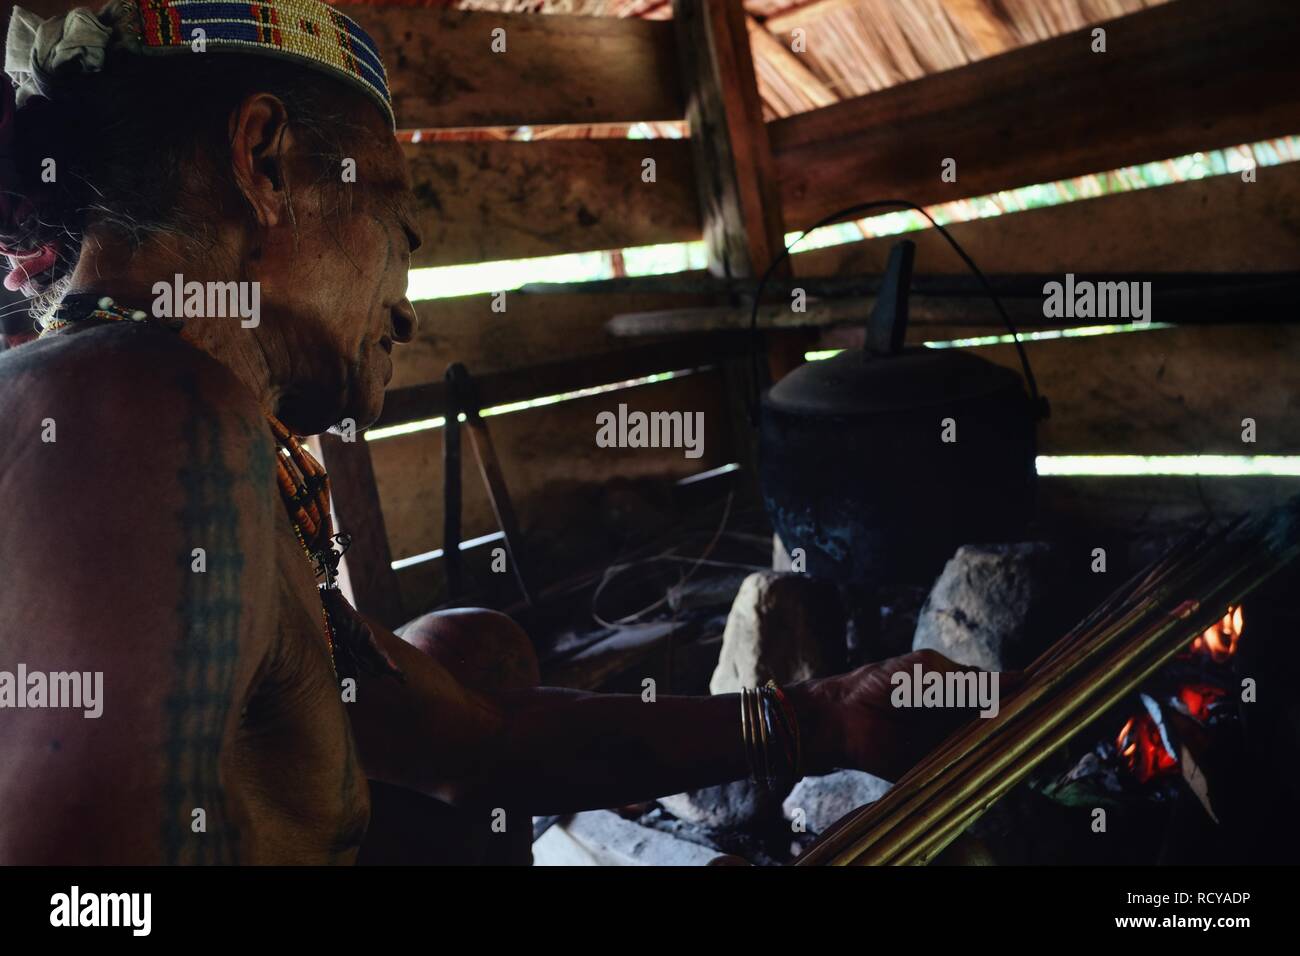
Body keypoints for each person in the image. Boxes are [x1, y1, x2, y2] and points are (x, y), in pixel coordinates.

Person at [0, 0, 981, 865]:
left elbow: (472, 743)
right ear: (265, 163)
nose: (407, 308)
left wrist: (821, 715)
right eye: (397, 216)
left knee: (477, 652)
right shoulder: (143, 410)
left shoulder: (157, 417)